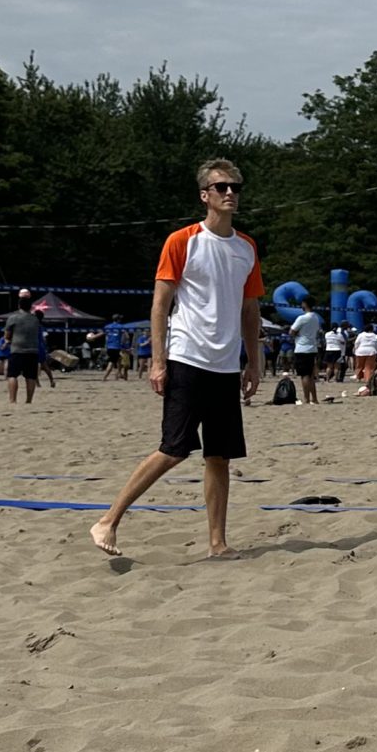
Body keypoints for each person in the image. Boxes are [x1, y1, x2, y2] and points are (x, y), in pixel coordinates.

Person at [90, 161, 263, 559]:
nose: (230, 193)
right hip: (187, 356)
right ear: (205, 195)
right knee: (174, 448)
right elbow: (160, 303)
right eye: (221, 187)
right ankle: (108, 520)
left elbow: (250, 310)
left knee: (219, 455)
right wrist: (157, 360)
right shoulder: (183, 240)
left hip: (225, 364)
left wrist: (254, 363)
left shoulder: (245, 247)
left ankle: (217, 544)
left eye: (235, 186)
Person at [5, 289, 45, 406]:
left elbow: (7, 336)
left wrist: (8, 341)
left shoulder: (13, 318)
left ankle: (13, 400)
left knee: (12, 375)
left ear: (18, 305)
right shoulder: (35, 319)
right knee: (31, 376)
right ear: (30, 306)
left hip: (17, 349)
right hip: (32, 350)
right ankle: (28, 400)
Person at [289, 297, 324, 405]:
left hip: (302, 348)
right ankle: (314, 398)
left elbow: (292, 331)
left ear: (305, 304)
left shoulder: (302, 318)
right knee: (311, 375)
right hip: (312, 347)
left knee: (304, 375)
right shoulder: (315, 317)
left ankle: (306, 398)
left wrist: (297, 334)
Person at [352, 321, 377, 391]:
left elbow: (356, 343)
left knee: (359, 366)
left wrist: (355, 349)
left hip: (360, 351)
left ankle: (358, 377)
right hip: (371, 351)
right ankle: (367, 379)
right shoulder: (375, 336)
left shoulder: (361, 335)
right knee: (369, 367)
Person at [102, 314, 126, 382]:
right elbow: (125, 337)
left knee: (119, 359)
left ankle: (119, 374)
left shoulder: (107, 326)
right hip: (116, 347)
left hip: (109, 347)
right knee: (111, 362)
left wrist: (106, 345)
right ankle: (104, 377)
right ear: (118, 319)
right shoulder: (121, 327)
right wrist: (122, 344)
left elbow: (106, 338)